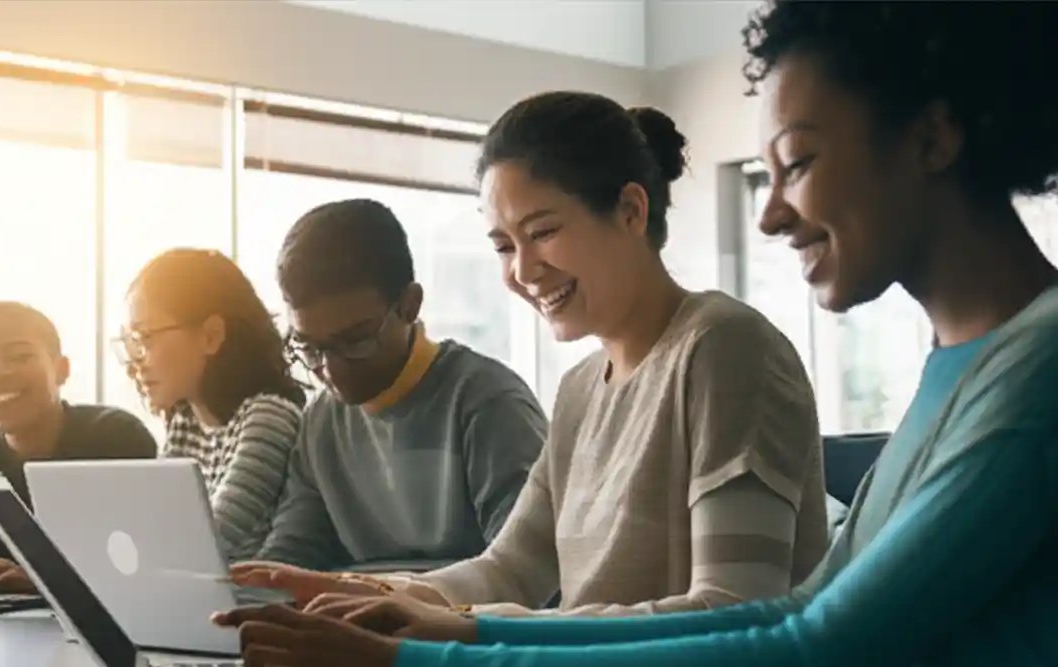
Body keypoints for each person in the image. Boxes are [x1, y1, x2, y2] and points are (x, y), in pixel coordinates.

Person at [215, 2, 1058, 667]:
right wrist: (445, 622)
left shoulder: (1036, 372)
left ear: (934, 137)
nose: (769, 220)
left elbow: (809, 654)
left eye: (797, 162)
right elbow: (801, 613)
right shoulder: (966, 364)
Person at [234, 97, 828, 618]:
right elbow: (510, 568)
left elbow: (735, 610)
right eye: (502, 245)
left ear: (630, 210)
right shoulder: (579, 390)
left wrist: (476, 630)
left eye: (541, 232)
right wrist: (364, 595)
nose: (521, 270)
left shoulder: (724, 348)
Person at [250, 199, 547, 571]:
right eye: (309, 347)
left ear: (410, 305)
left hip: (464, 624)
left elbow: (526, 575)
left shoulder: (487, 405)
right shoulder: (321, 423)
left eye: (355, 341)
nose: (330, 369)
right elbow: (293, 555)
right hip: (360, 621)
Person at [0, 301, 157, 592]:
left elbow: (143, 562)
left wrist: (46, 579)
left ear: (62, 370)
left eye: (19, 357)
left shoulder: (116, 438)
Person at [118, 248, 305, 561]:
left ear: (211, 335)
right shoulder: (186, 423)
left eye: (145, 337)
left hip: (252, 600)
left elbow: (210, 541)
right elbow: (158, 526)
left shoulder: (267, 416)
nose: (136, 360)